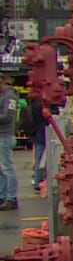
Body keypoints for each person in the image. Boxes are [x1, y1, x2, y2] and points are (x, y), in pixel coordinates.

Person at [19, 94, 49, 189]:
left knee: (38, 157)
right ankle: (38, 180)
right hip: (42, 133)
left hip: (35, 134)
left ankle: (37, 179)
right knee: (41, 158)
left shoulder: (31, 105)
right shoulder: (39, 106)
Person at [0, 75, 18, 210]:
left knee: (7, 168)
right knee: (2, 169)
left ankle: (11, 198)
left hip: (5, 136)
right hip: (2, 136)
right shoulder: (4, 96)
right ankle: (3, 195)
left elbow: (8, 116)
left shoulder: (10, 96)